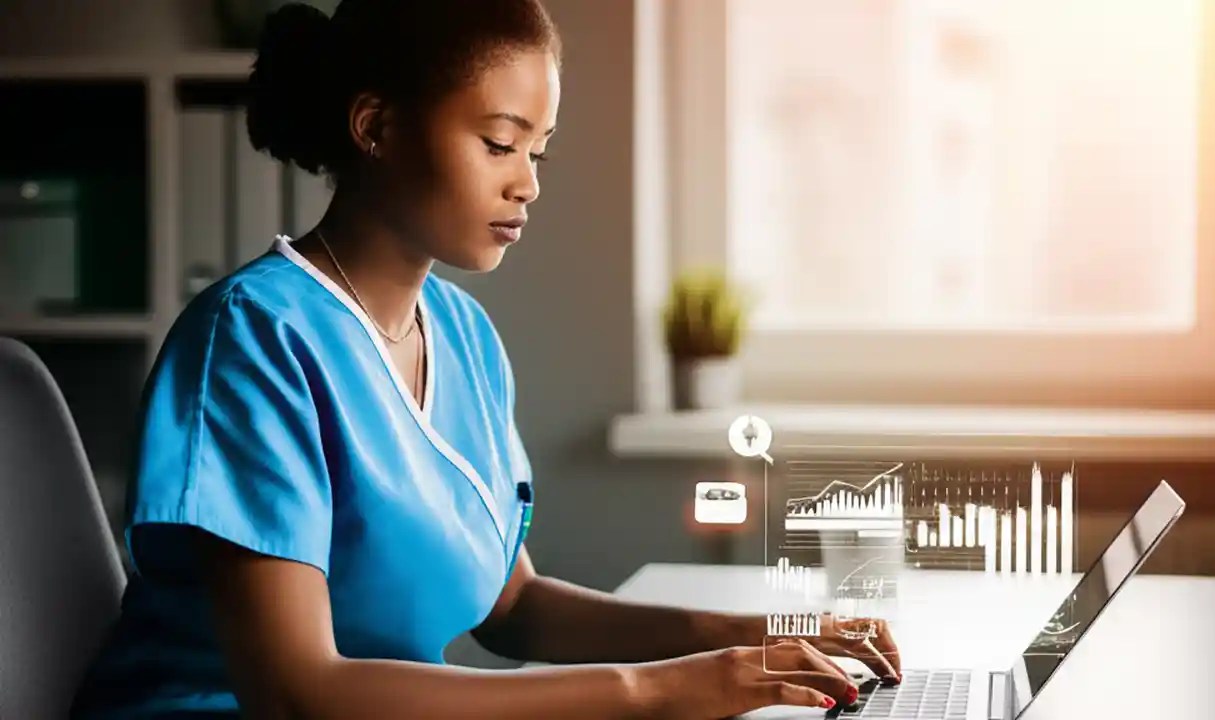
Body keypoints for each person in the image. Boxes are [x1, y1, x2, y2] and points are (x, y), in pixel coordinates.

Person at [71, 1, 901, 717]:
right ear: (377, 128)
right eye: (500, 143)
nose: (529, 184)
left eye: (537, 151)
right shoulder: (255, 338)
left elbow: (514, 608)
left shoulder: (463, 336)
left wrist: (748, 639)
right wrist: (659, 693)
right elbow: (297, 697)